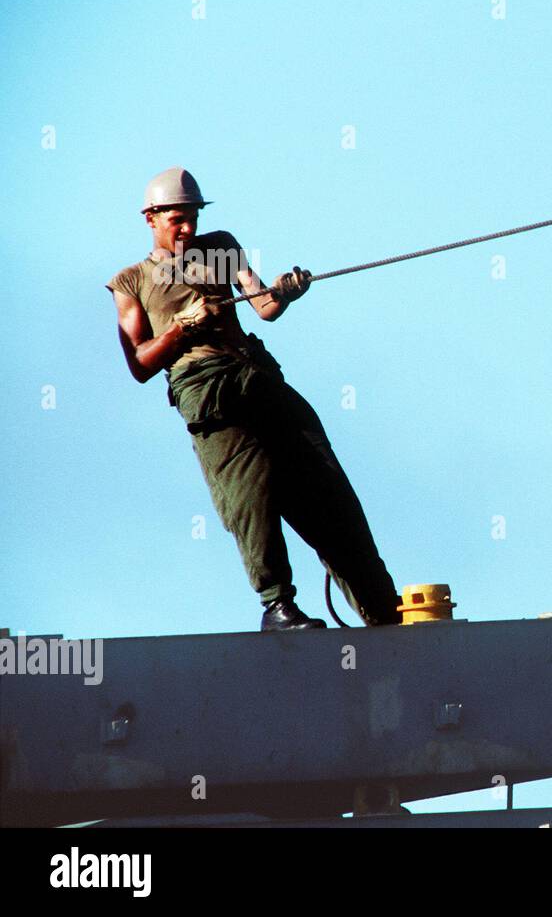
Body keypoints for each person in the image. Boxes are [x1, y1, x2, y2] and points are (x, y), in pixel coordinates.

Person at [105, 167, 401, 631]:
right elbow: (140, 363)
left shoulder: (220, 247)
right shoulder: (131, 282)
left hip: (257, 377)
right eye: (176, 220)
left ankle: (383, 609)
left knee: (327, 488)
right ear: (151, 218)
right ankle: (278, 606)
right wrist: (184, 327)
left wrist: (284, 292)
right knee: (250, 492)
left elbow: (262, 306)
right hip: (208, 391)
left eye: (192, 218)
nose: (187, 229)